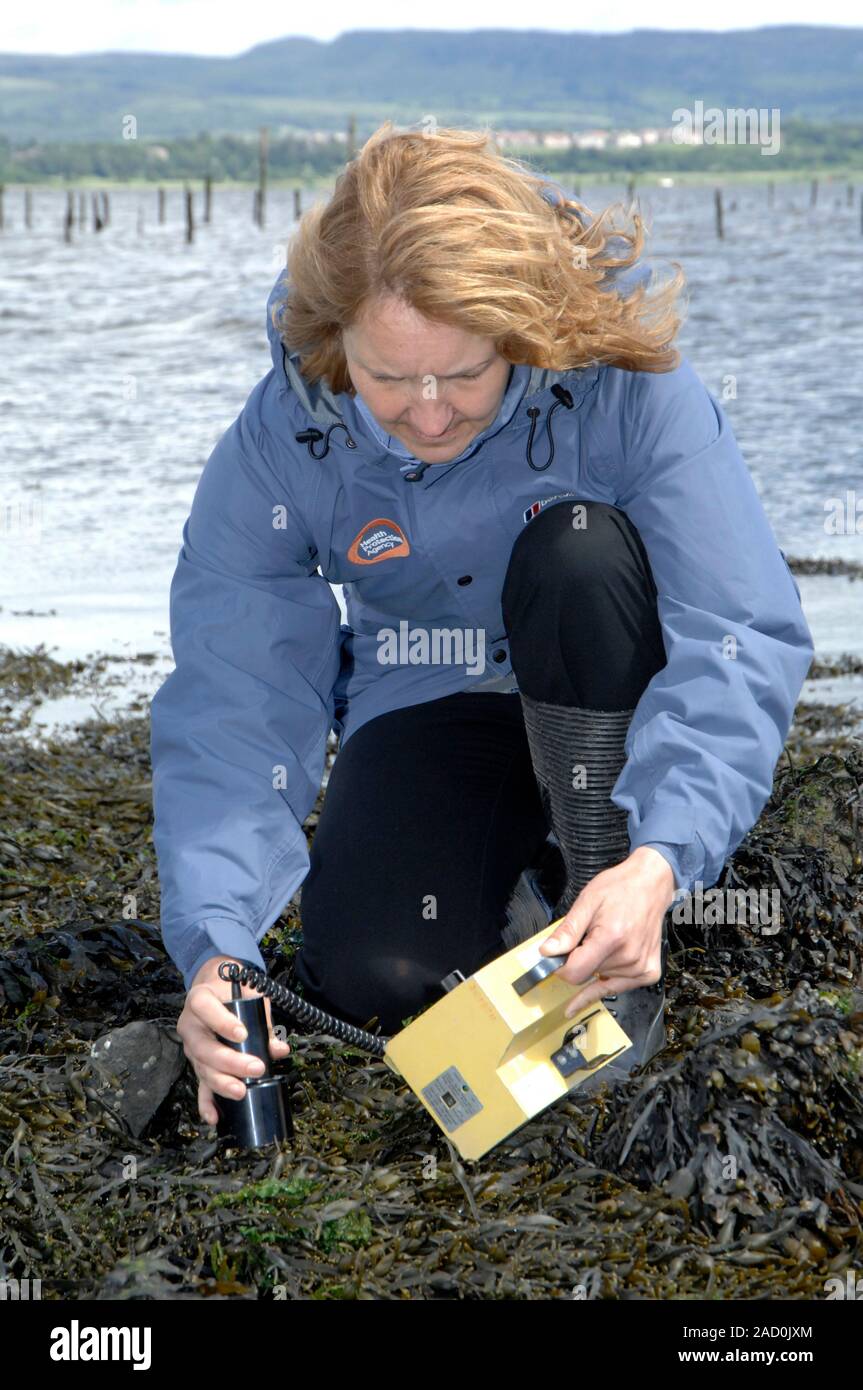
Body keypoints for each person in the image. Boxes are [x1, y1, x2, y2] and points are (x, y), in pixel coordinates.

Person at [152, 123, 814, 1127]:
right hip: (434, 693)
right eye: (388, 378)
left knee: (576, 547)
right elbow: (233, 697)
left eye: (462, 375)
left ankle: (604, 884)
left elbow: (737, 632)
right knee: (376, 972)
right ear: (335, 344)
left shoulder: (631, 389)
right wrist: (216, 945)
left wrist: (662, 854)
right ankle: (530, 881)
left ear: (517, 328)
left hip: (607, 672)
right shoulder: (278, 440)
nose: (425, 415)